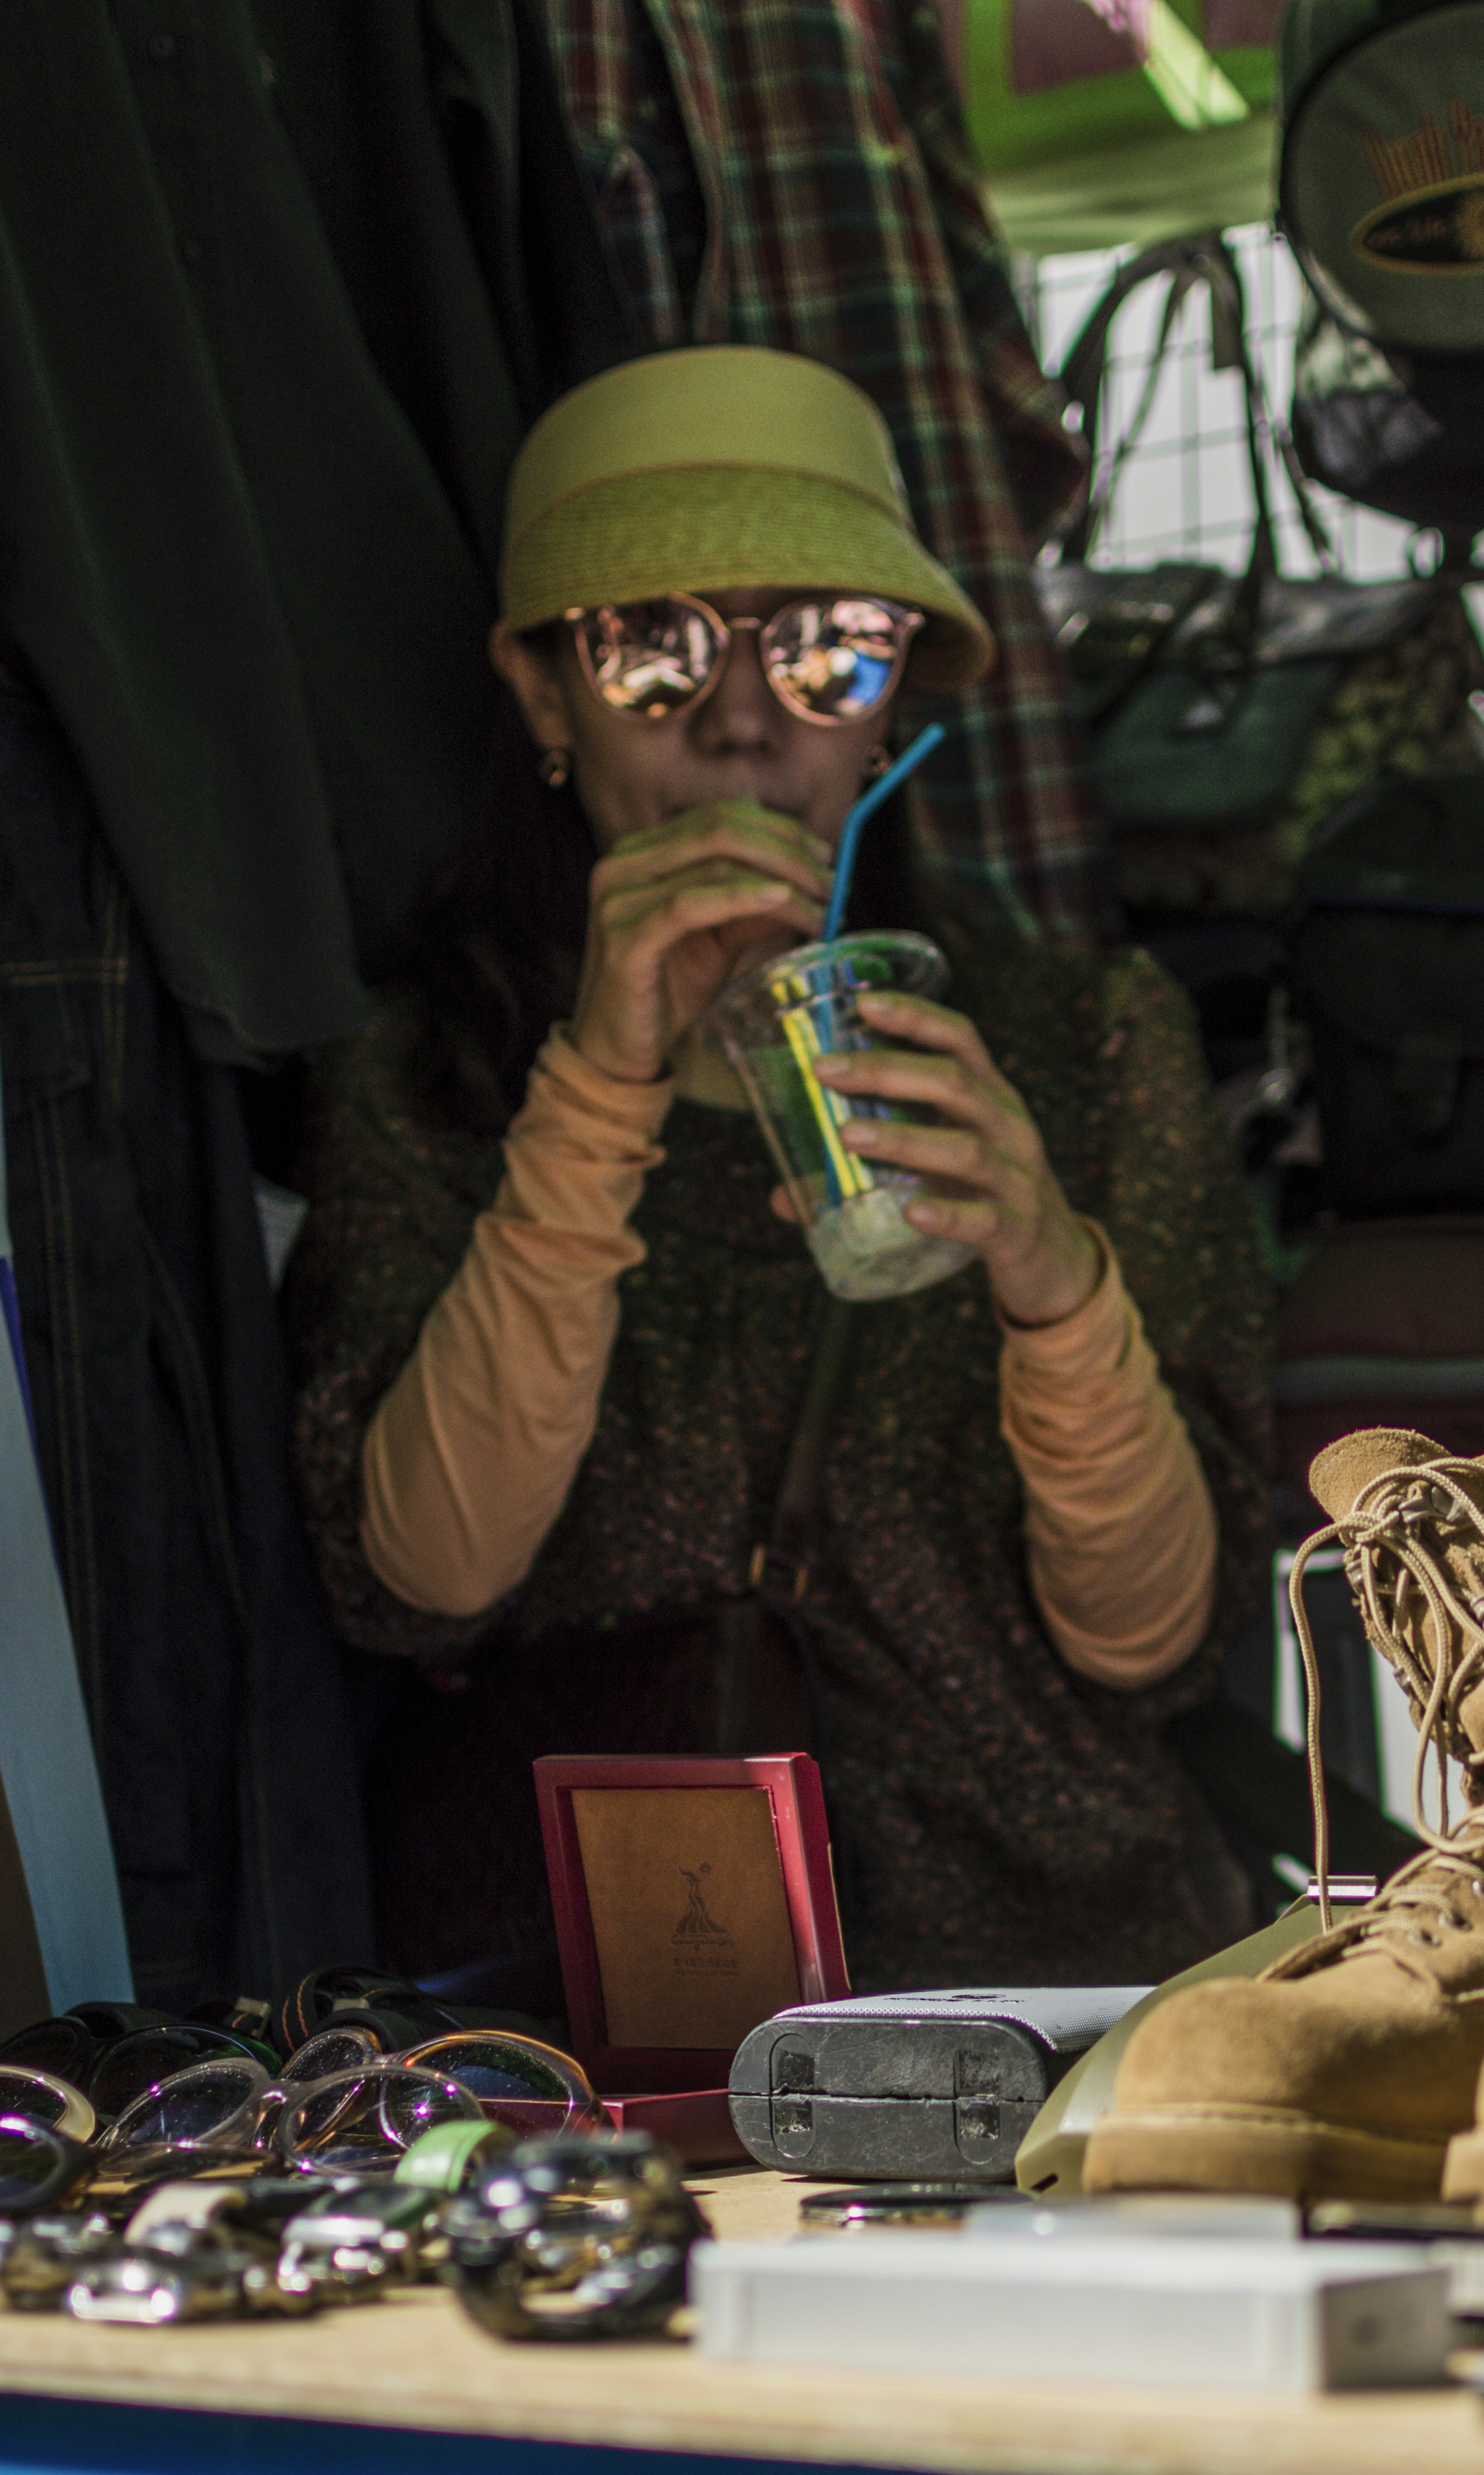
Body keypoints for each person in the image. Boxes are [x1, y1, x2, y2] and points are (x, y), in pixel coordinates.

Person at [286, 346, 1272, 1990]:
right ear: (542, 695)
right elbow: (419, 1580)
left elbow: (1156, 1642)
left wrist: (1050, 1270)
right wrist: (599, 1086)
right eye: (656, 650)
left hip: (1053, 1986)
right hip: (606, 2019)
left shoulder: (1080, 1037)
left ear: (895, 702)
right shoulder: (425, 1078)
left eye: (826, 649)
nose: (746, 720)